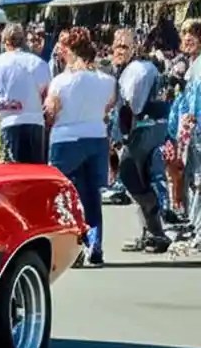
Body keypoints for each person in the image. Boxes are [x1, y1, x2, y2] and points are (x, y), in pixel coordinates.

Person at [45, 28, 117, 267]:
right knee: (91, 194)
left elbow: (51, 112)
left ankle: (74, 246)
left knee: (65, 196)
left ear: (70, 51)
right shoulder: (107, 81)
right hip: (96, 136)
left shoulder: (61, 81)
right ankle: (94, 243)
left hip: (66, 138)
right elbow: (108, 108)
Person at [112, 29, 171, 252]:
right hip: (150, 127)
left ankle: (156, 228)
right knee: (139, 178)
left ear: (136, 47)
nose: (119, 50)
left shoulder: (137, 70)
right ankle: (152, 232)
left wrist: (124, 136)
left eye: (124, 46)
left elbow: (132, 107)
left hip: (145, 128)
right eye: (117, 45)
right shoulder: (132, 69)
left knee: (130, 175)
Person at [0, 23, 50, 164]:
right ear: (24, 40)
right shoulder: (38, 63)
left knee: (13, 169)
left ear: (5, 41)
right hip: (35, 122)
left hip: (9, 121)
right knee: (36, 171)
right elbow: (47, 95)